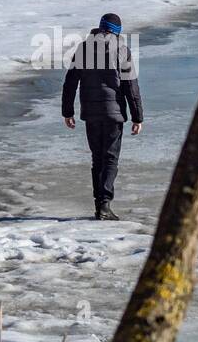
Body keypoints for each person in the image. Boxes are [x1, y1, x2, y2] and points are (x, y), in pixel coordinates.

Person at [61, 13, 143, 220]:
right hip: (113, 114)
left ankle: (99, 206)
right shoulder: (122, 50)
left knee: (97, 159)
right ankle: (104, 205)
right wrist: (137, 117)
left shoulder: (84, 48)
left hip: (90, 114)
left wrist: (67, 112)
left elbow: (70, 82)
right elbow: (130, 86)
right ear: (117, 31)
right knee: (110, 159)